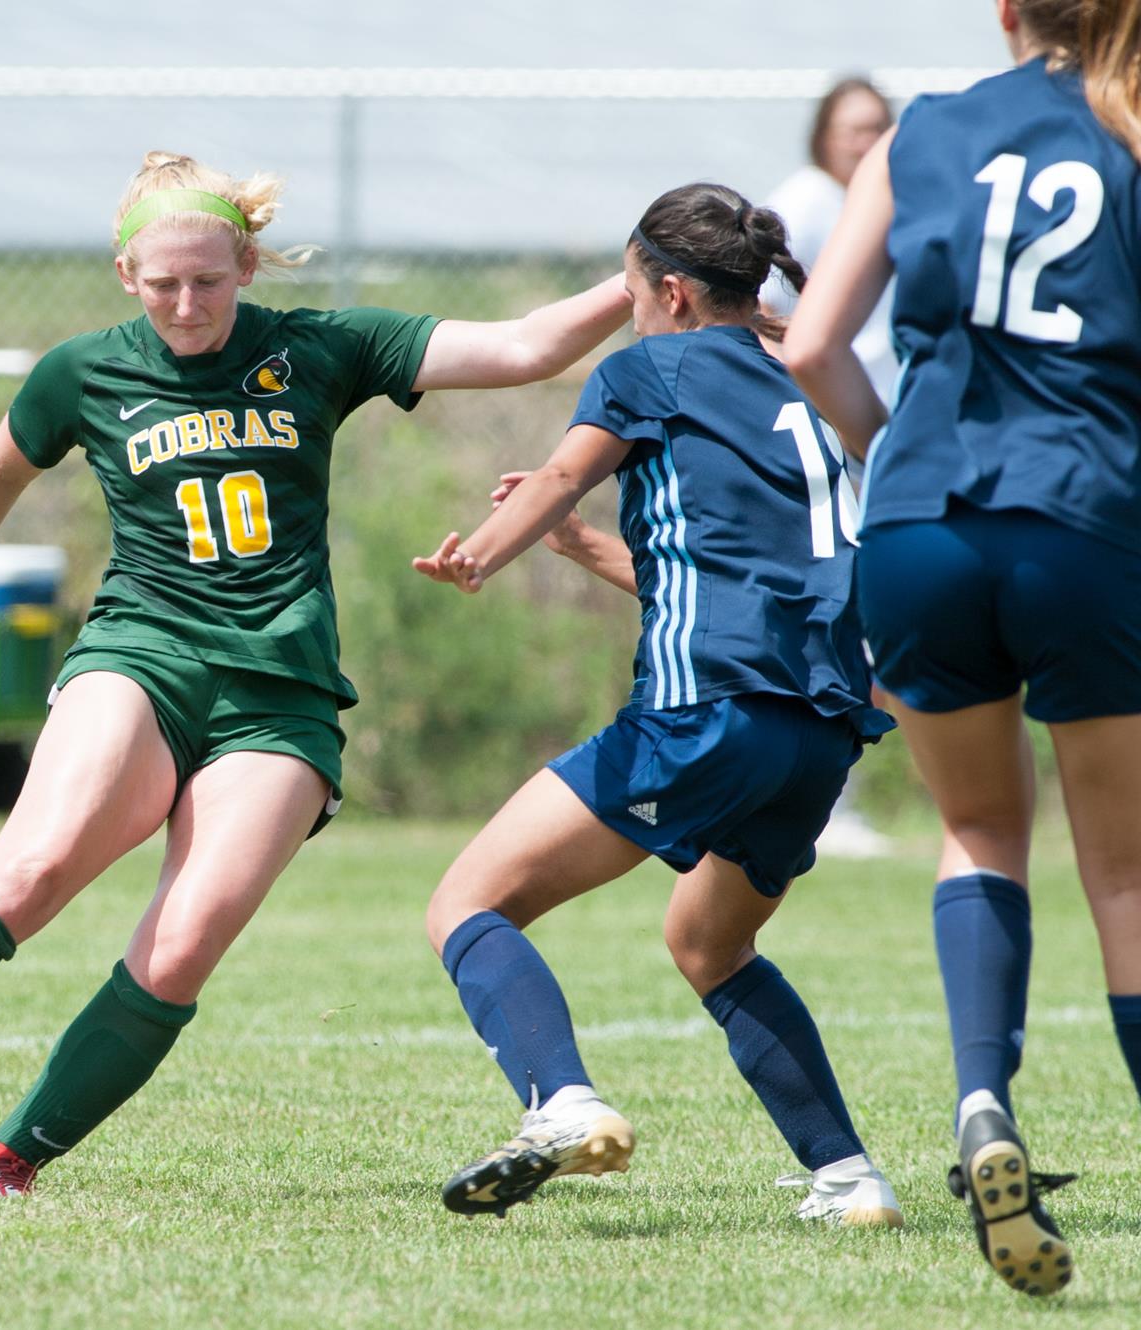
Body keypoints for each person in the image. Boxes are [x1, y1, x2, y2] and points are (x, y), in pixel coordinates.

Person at [0, 149, 634, 1198]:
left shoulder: (321, 348)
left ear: (247, 263)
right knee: (29, 871)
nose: (186, 301)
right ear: (125, 274)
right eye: (161, 283)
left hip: (280, 696)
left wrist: (641, 278)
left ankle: (7, 1163)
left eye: (208, 279)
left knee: (179, 946)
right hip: (142, 654)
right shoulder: (82, 371)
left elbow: (526, 347)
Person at [410, 181, 901, 1228]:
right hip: (816, 730)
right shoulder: (802, 376)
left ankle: (560, 1105)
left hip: (699, 712)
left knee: (467, 902)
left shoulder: (648, 366)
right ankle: (848, 1178)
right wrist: (583, 551)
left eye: (631, 294)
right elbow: (727, 569)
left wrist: (479, 555)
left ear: (671, 292)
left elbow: (556, 473)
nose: (628, 315)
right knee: (708, 943)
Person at [785, 0, 1141, 1298]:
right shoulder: (1129, 131)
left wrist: (899, 463)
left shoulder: (917, 132)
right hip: (1082, 514)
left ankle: (984, 1099)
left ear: (1004, 11)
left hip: (920, 521)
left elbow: (816, 343)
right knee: (1124, 870)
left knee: (981, 825)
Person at [759, 77, 899, 402]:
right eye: (854, 132)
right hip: (834, 408)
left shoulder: (887, 201)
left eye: (878, 129)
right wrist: (796, 396)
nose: (868, 143)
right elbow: (759, 308)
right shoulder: (803, 203)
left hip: (886, 398)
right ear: (824, 137)